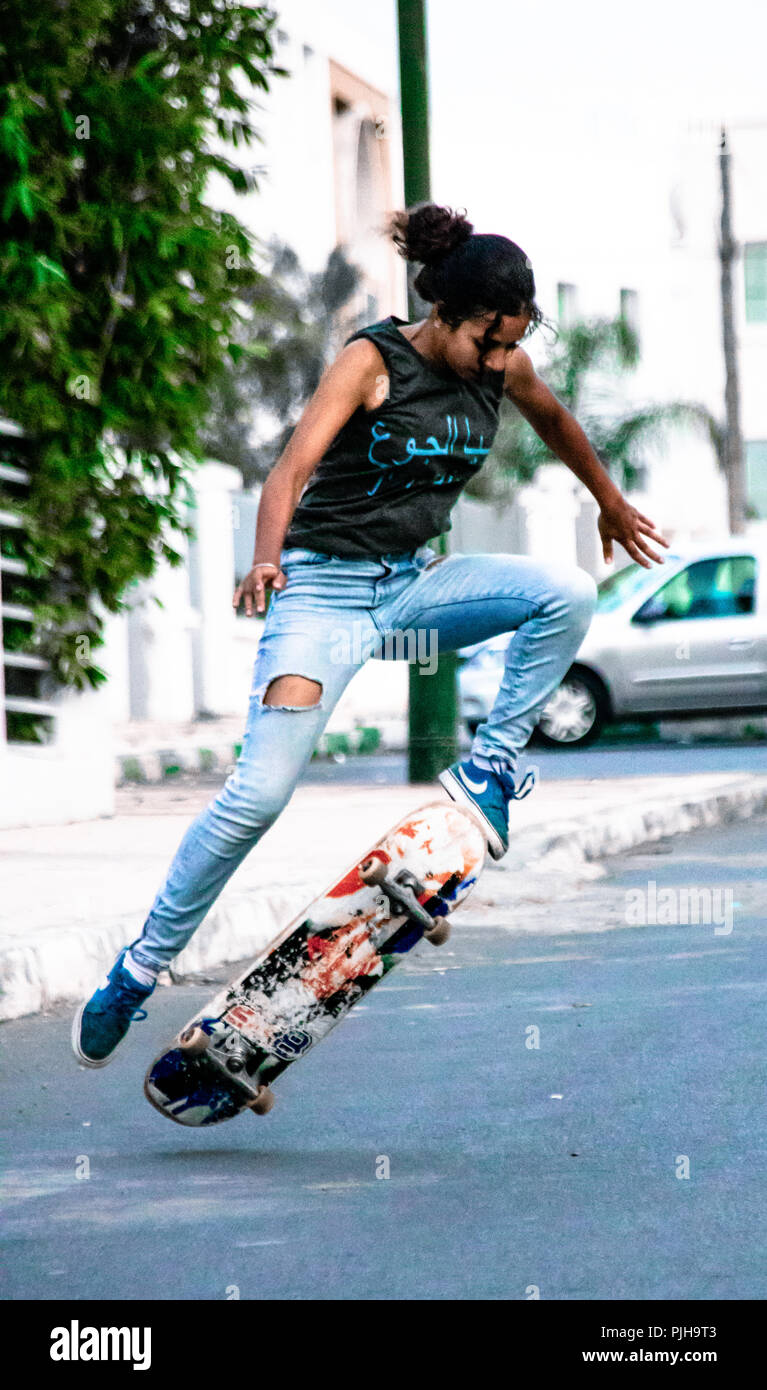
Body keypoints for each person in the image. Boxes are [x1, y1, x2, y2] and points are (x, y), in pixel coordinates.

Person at [72, 203, 668, 1067]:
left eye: (509, 346)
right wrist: (264, 560)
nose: (497, 363)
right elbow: (291, 468)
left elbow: (557, 422)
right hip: (320, 598)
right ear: (445, 317)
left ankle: (492, 764)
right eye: (485, 345)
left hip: (414, 591)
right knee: (257, 797)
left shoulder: (506, 366)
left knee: (566, 592)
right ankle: (138, 971)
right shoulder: (369, 360)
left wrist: (608, 502)